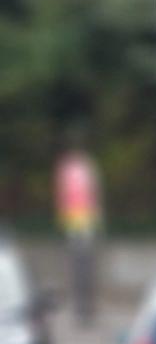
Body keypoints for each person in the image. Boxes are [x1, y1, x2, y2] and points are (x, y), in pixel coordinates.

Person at [53, 140, 103, 327]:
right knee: (77, 269)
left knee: (86, 268)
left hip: (85, 224)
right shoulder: (68, 169)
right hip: (74, 225)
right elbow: (62, 196)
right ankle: (81, 308)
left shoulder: (86, 167)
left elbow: (94, 193)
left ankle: (87, 308)